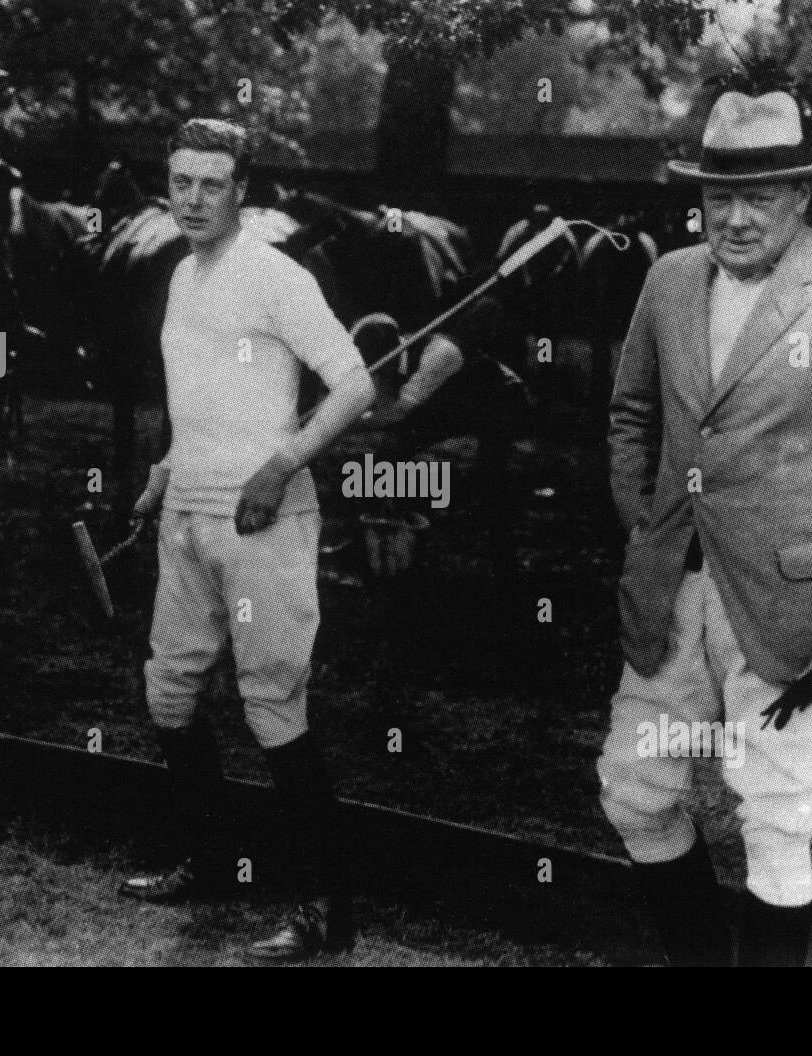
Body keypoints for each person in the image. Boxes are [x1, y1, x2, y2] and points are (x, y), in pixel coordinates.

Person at [597, 90, 812, 967]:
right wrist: (645, 529)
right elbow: (631, 413)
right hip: (675, 593)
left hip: (800, 609)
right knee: (634, 792)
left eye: (759, 198)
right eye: (719, 197)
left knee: (778, 822)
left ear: (802, 196)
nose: (736, 218)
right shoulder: (671, 281)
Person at [117, 118, 375, 963]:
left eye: (212, 184)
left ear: (241, 192)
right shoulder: (182, 274)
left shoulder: (275, 275)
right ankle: (209, 862)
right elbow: (200, 400)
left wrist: (282, 465)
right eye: (180, 182)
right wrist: (163, 473)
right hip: (187, 516)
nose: (193, 199)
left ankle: (325, 910)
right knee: (168, 692)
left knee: (271, 706)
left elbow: (355, 385)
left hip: (265, 522)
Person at [346, 298, 532, 575]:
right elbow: (383, 408)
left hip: (499, 399)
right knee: (391, 451)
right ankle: (381, 533)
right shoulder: (382, 361)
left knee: (490, 474)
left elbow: (396, 413)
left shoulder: (441, 353)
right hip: (447, 400)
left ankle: (503, 558)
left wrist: (338, 427)